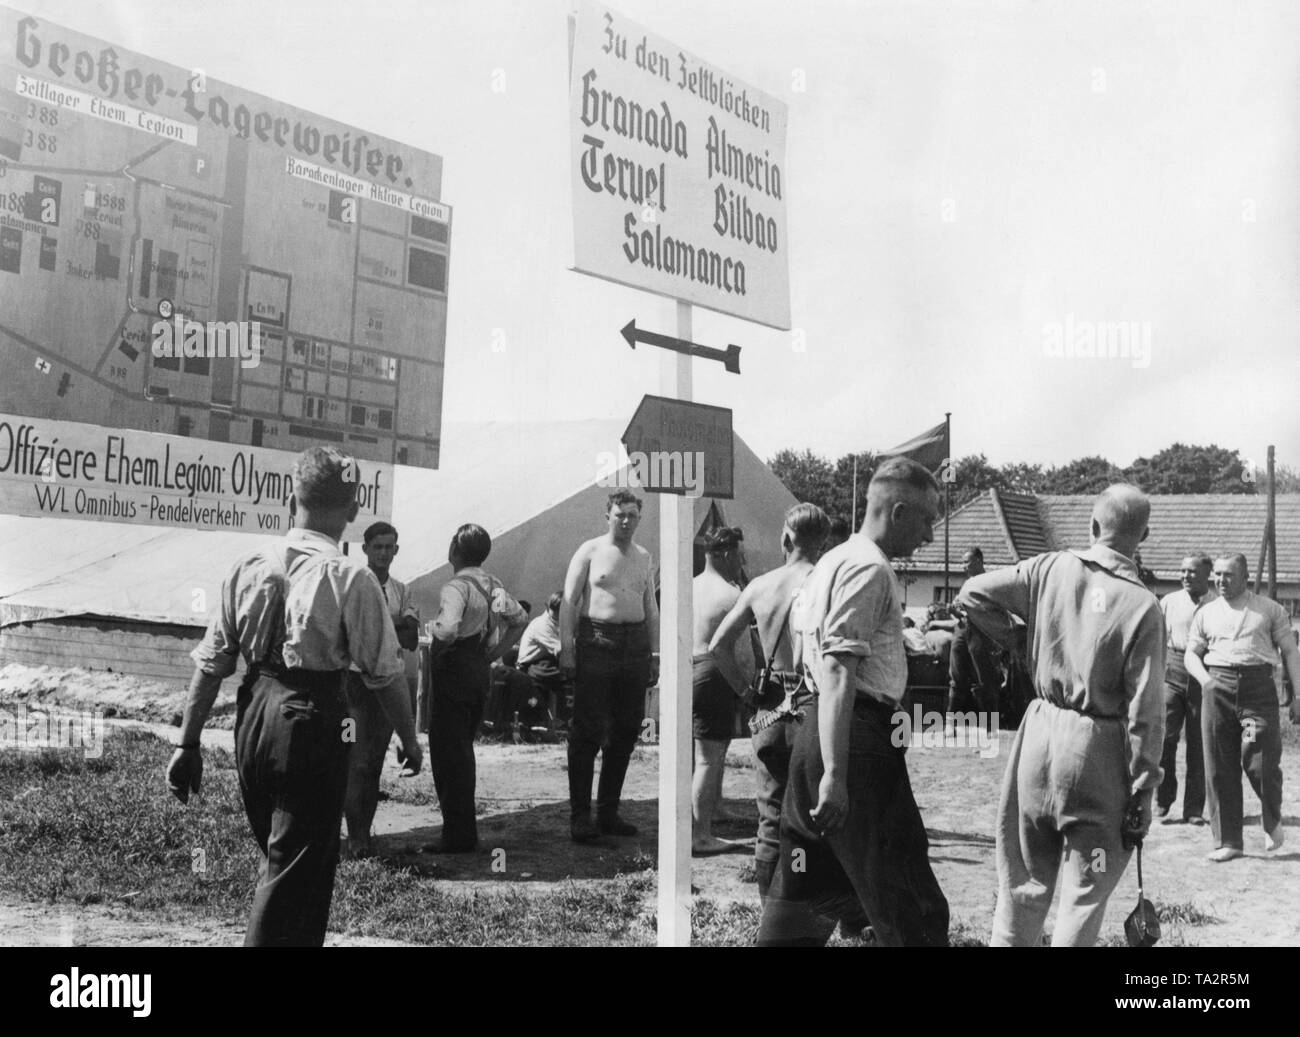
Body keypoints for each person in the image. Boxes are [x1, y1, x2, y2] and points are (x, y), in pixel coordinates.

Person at [165, 446, 422, 947]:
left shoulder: (248, 563)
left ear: (290, 499)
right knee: (294, 875)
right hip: (312, 718)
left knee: (283, 862)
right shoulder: (351, 577)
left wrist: (187, 744)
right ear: (352, 511)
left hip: (253, 717)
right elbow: (385, 674)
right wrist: (410, 740)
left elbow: (212, 663)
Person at [958, 483, 1165, 947]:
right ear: (1144, 535)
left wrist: (1017, 642)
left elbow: (972, 594)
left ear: (1093, 526)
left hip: (1039, 733)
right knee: (1084, 891)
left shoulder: (1048, 568)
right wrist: (1145, 787)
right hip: (1097, 748)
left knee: (1022, 884)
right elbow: (1146, 711)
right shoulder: (1144, 606)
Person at [757, 458, 949, 947]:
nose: (929, 534)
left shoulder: (831, 561)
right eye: (927, 519)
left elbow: (812, 661)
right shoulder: (868, 567)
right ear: (899, 511)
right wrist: (836, 776)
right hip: (855, 740)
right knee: (913, 906)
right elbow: (841, 668)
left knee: (807, 886)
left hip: (815, 730)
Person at [709, 503, 831, 919]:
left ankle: (771, 919)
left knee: (771, 814)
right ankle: (805, 918)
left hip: (770, 705)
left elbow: (717, 647)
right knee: (815, 816)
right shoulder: (827, 581)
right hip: (813, 701)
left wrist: (745, 691)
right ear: (824, 542)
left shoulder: (759, 585)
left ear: (785, 539)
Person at [1185, 554, 1300, 861]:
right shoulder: (1206, 613)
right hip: (1217, 691)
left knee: (1258, 760)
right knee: (1219, 766)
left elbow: (1290, 652)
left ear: (1246, 577)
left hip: (1255, 694)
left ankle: (1272, 820)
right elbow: (1191, 655)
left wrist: (1298, 696)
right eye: (1218, 575)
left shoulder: (1269, 610)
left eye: (1228, 575)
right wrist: (1205, 681)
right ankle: (1229, 841)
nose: (1221, 580)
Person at [560, 490, 659, 843]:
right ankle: (579, 817)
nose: (626, 521)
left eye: (632, 515)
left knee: (626, 732)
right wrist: (567, 649)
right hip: (596, 642)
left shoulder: (645, 557)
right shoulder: (589, 550)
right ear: (608, 516)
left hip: (634, 647)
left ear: (639, 518)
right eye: (620, 515)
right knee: (586, 731)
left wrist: (656, 653)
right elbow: (569, 602)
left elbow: (650, 606)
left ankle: (608, 813)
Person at [425, 523, 528, 852]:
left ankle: (456, 836)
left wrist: (436, 640)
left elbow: (447, 630)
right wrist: (494, 653)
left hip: (453, 670)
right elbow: (519, 619)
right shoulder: (493, 585)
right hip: (477, 671)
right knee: (463, 751)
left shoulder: (456, 586)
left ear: (454, 550)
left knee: (447, 754)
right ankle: (462, 832)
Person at [342, 521, 421, 857]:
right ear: (365, 549)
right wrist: (393, 625)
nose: (384, 554)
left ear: (396, 550)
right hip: (354, 684)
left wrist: (388, 628)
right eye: (378, 547)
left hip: (388, 685)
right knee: (354, 760)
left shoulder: (402, 590)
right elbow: (355, 635)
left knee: (374, 761)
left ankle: (365, 835)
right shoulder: (354, 584)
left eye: (390, 547)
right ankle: (354, 837)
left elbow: (410, 639)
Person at [690, 526, 748, 855]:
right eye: (740, 555)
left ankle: (710, 812)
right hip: (713, 673)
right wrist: (747, 689)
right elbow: (739, 653)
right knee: (709, 759)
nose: (743, 561)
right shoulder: (732, 595)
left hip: (688, 668)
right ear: (725, 555)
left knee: (700, 757)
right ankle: (700, 835)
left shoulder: (691, 587)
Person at [1155, 554, 1216, 826]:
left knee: (1199, 743)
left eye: (1192, 572)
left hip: (1205, 673)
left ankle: (1194, 808)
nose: (1185, 576)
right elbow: (1155, 640)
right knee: (1165, 739)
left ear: (1207, 575)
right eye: (1182, 571)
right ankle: (1162, 799)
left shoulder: (1217, 605)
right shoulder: (1168, 602)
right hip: (1173, 670)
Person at [948, 547, 1001, 727]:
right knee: (957, 676)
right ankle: (950, 724)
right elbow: (960, 611)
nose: (964, 566)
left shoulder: (989, 583)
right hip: (962, 629)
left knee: (984, 678)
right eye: (963, 562)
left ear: (978, 561)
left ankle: (990, 726)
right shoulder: (966, 584)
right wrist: (953, 611)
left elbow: (993, 609)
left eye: (967, 562)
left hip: (980, 631)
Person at [518, 592, 569, 723]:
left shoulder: (560, 621)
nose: (558, 615)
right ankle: (562, 718)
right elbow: (561, 650)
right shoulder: (541, 624)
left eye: (561, 611)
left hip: (547, 661)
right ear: (547, 608)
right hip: (530, 666)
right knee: (568, 674)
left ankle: (563, 717)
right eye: (556, 612)